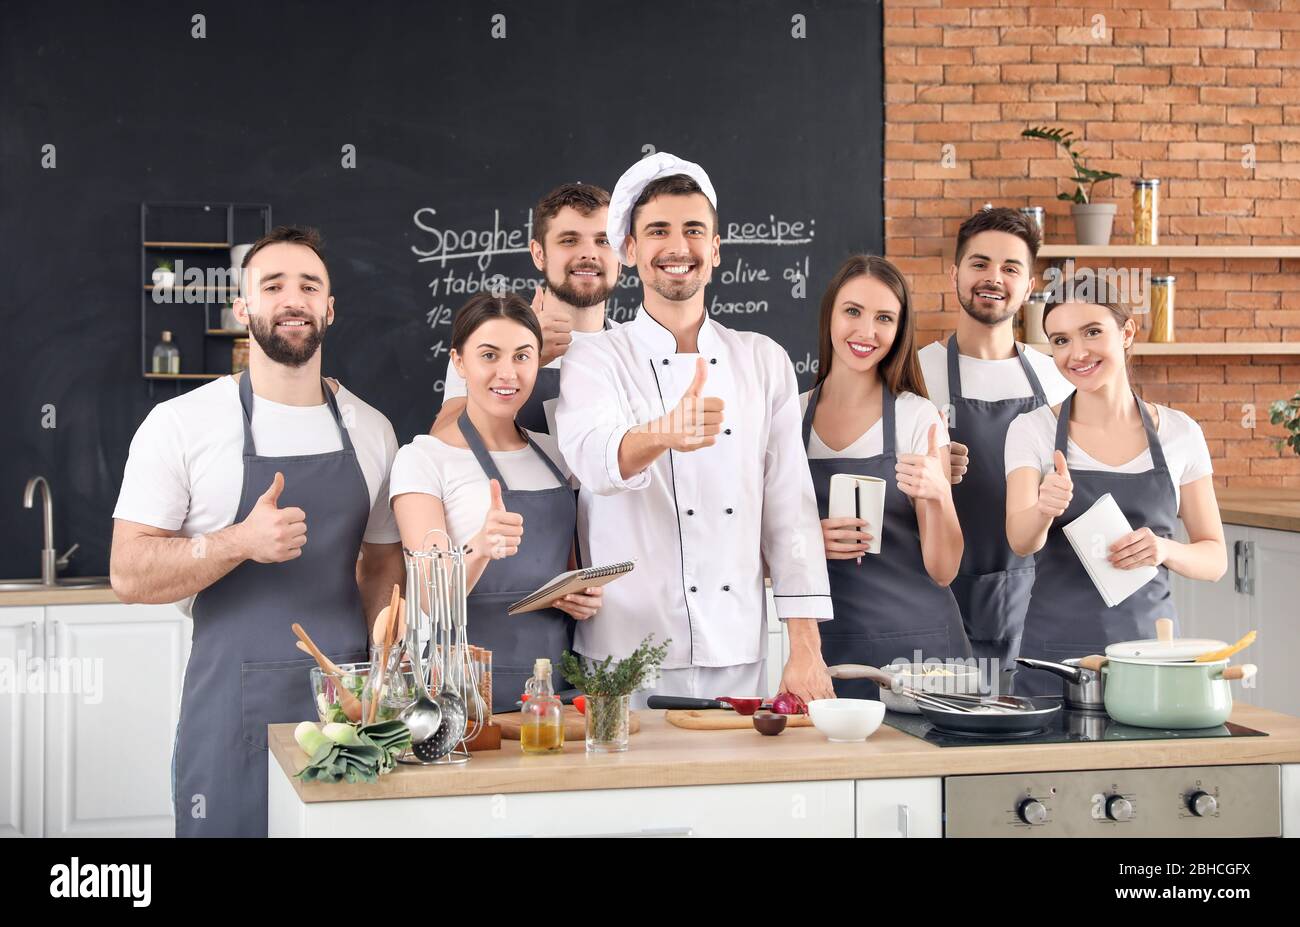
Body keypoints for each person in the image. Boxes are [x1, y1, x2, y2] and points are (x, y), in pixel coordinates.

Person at [110, 226, 404, 837]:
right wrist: (238, 542)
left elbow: (381, 564)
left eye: (309, 285)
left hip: (346, 715)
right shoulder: (182, 424)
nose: (291, 299)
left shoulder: (372, 430)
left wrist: (383, 670)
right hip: (228, 714)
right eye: (272, 285)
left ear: (329, 308)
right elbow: (129, 572)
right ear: (243, 307)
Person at [555, 153, 834, 708]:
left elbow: (790, 510)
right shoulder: (595, 359)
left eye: (693, 231)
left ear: (715, 250)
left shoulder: (763, 360)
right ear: (630, 251)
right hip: (623, 649)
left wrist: (806, 645)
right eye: (658, 231)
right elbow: (592, 461)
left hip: (737, 645)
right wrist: (663, 433)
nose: (677, 248)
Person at [1006, 283, 1227, 697]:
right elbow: (1020, 541)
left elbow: (1214, 557)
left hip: (1152, 656)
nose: (1077, 353)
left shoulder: (1181, 433)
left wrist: (1164, 550)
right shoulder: (1031, 430)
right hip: (1055, 660)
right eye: (1061, 340)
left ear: (1126, 333)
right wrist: (1043, 509)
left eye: (1092, 332)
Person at [391, 292, 600, 710]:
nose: (507, 373)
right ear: (459, 362)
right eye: (489, 355)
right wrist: (479, 548)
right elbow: (427, 599)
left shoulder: (558, 454)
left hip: (555, 685)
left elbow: (570, 565)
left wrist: (581, 595)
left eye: (523, 356)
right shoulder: (423, 458)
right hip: (463, 691)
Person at [916, 207, 1074, 682]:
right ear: (955, 274)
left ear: (1029, 287)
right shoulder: (915, 375)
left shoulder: (1057, 380)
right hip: (935, 603)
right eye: (979, 264)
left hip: (1035, 605)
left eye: (1010, 268)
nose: (993, 278)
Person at [803, 255, 969, 698]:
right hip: (825, 651)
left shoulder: (918, 417)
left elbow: (943, 569)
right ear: (830, 316)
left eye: (884, 318)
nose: (866, 332)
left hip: (923, 653)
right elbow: (757, 548)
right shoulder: (789, 417)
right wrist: (806, 542)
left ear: (899, 331)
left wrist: (938, 496)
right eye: (853, 311)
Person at [433, 183, 620, 435]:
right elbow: (442, 438)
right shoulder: (487, 344)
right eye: (569, 240)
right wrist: (529, 358)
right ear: (539, 254)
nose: (588, 253)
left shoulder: (639, 351)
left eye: (603, 240)